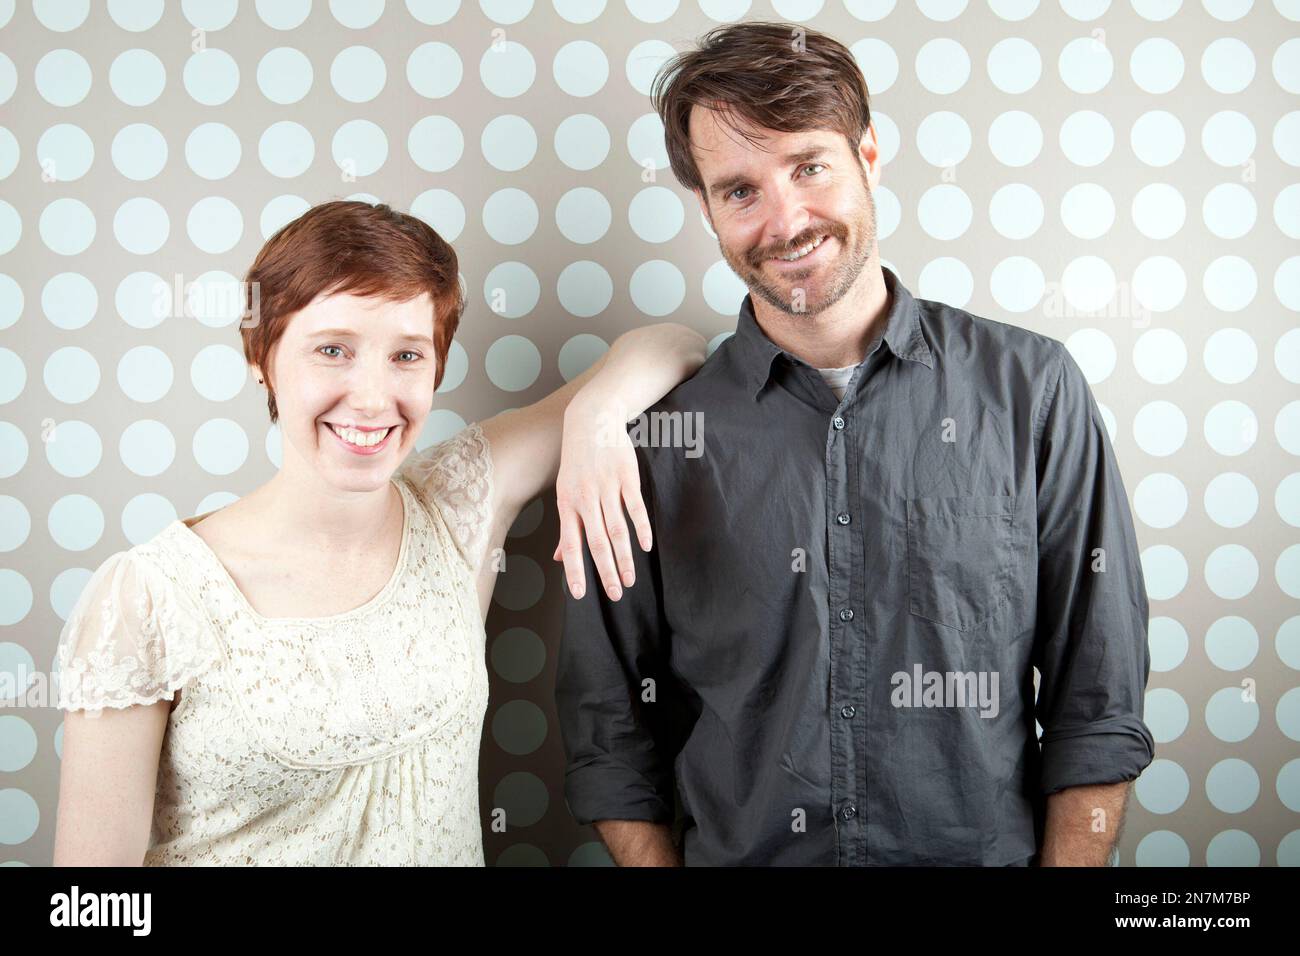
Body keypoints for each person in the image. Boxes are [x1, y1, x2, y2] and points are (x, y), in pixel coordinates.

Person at [556, 21, 1155, 866]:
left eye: (809, 166)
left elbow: (1096, 696)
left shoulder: (1033, 391)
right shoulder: (652, 439)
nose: (786, 221)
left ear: (867, 154)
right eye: (740, 190)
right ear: (707, 210)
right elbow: (608, 726)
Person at [51, 199, 706, 866]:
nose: (371, 397)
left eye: (406, 356)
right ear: (260, 356)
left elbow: (673, 344)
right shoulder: (149, 595)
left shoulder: (457, 504)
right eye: (333, 350)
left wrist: (593, 417)